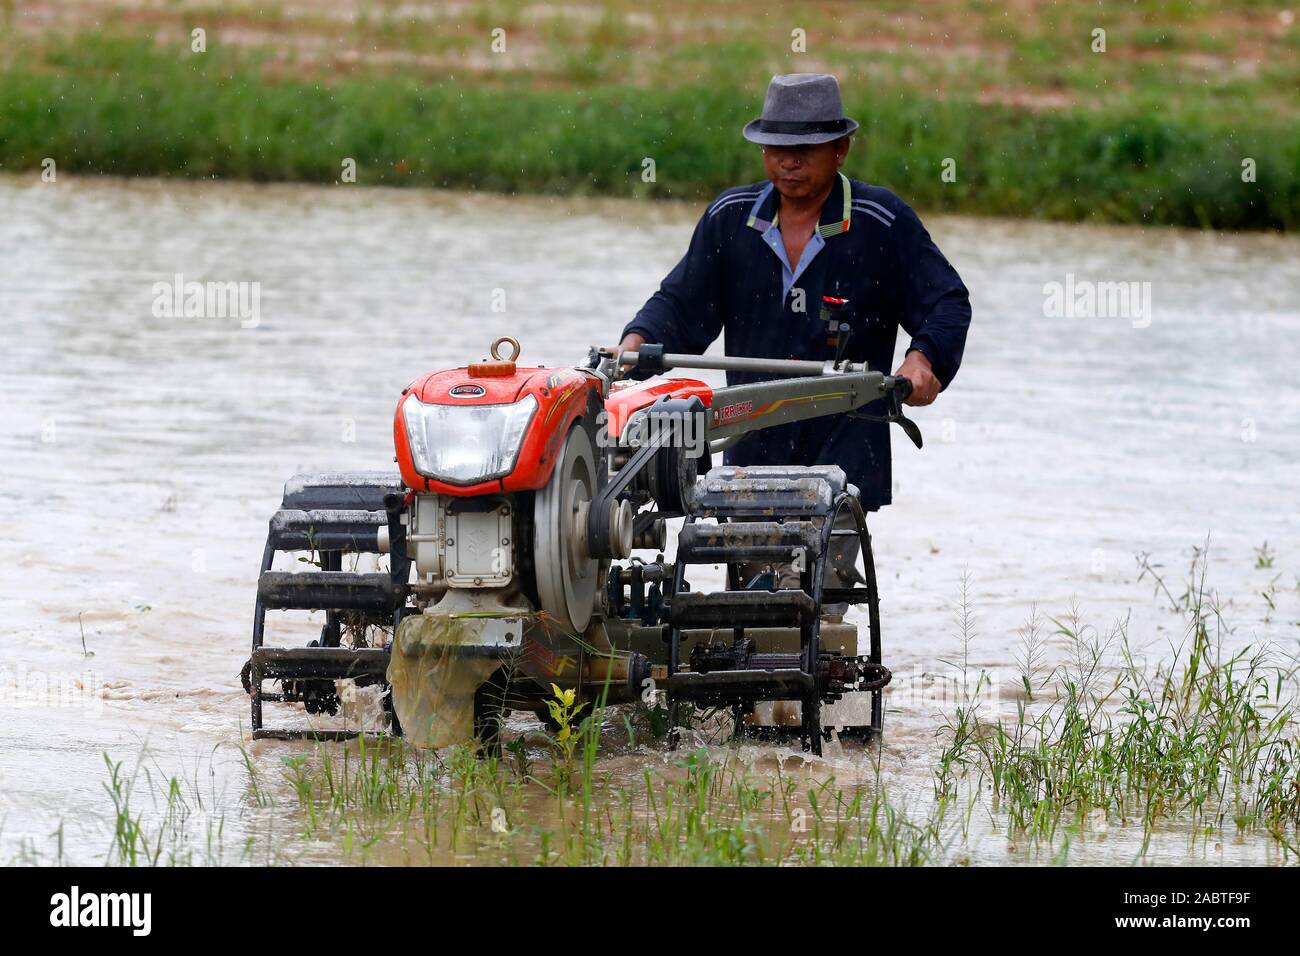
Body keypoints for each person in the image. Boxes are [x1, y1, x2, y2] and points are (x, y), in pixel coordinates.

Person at [616, 73, 972, 592]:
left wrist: (924, 362)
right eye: (776, 148)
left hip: (846, 451)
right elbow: (681, 305)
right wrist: (634, 346)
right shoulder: (730, 220)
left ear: (841, 149)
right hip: (750, 451)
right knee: (752, 606)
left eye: (805, 148)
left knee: (814, 601)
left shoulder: (881, 222)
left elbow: (946, 301)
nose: (789, 162)